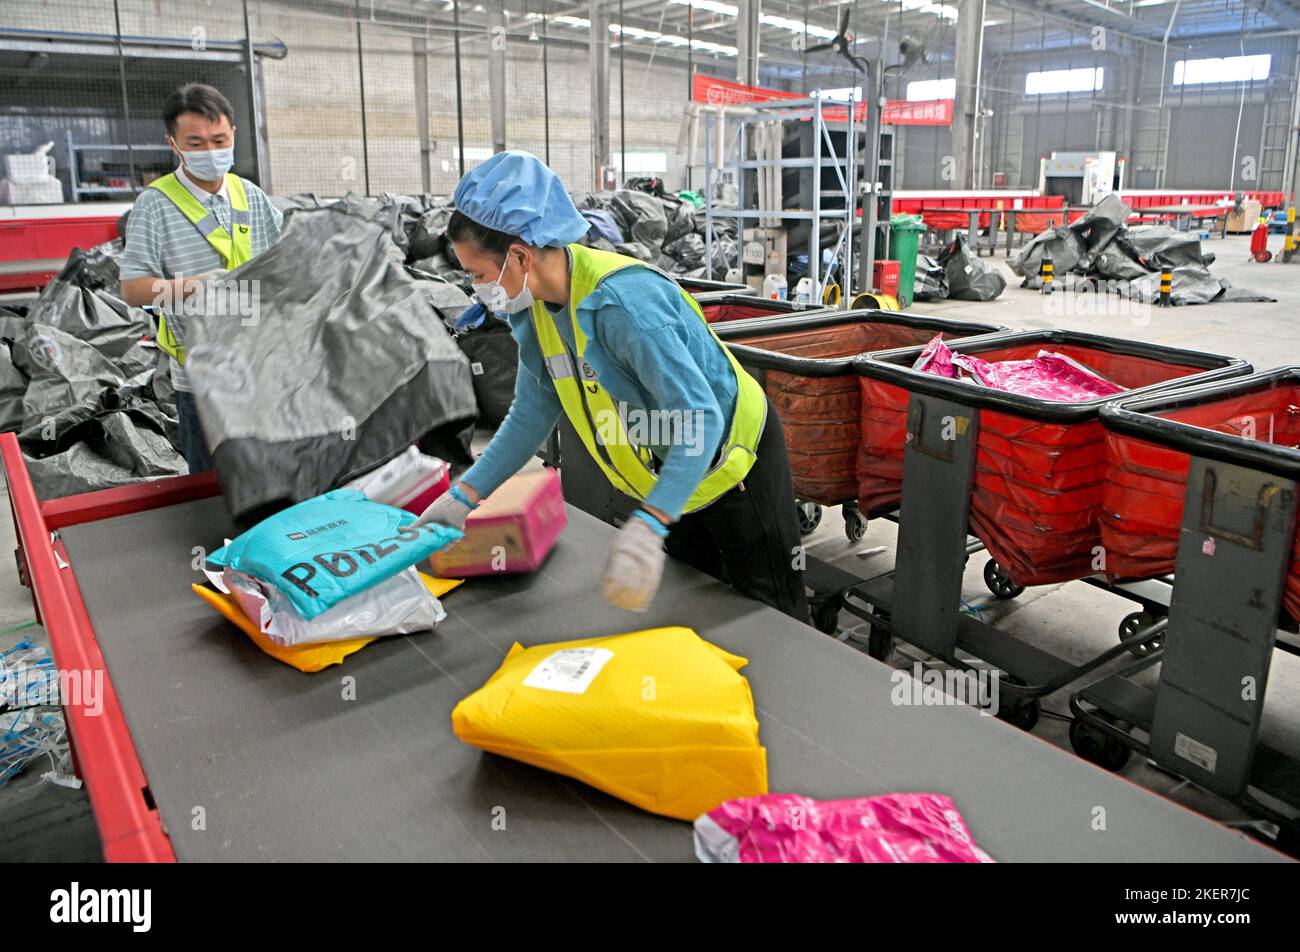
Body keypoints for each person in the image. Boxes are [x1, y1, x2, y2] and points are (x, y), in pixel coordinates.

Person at [416, 151, 809, 623]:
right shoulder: (535, 310)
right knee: (696, 599)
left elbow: (699, 418)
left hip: (734, 458)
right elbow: (531, 413)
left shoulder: (622, 306)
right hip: (673, 464)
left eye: (479, 275)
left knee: (772, 616)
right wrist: (465, 496)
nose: (478, 289)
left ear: (519, 256)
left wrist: (653, 518)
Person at [120, 83, 283, 472]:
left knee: (271, 480)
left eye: (219, 140)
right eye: (195, 143)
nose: (210, 152)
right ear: (173, 144)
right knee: (214, 492)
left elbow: (284, 263)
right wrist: (189, 287)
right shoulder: (155, 206)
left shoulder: (251, 196)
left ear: (234, 136)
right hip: (202, 380)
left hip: (263, 368)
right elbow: (132, 289)